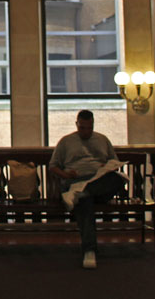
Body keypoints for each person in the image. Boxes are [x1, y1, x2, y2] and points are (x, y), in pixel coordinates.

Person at [49, 110, 127, 269]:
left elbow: (114, 162)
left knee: (118, 179)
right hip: (75, 179)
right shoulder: (66, 142)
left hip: (98, 182)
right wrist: (66, 174)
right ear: (76, 124)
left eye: (89, 128)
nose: (85, 131)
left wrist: (106, 168)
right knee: (85, 202)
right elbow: (53, 166)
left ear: (93, 125)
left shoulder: (102, 140)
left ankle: (82, 191)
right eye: (82, 128)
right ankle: (89, 250)